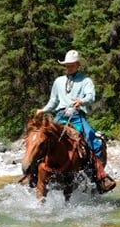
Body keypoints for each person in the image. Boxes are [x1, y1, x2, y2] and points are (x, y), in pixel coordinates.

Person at [34, 50, 111, 187]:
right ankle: (32, 174)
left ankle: (100, 176)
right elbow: (53, 101)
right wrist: (43, 110)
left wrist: (81, 101)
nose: (69, 67)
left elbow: (91, 97)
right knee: (43, 139)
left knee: (94, 141)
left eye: (72, 65)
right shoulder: (58, 81)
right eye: (67, 65)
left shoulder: (86, 81)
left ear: (77, 65)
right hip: (60, 115)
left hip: (77, 115)